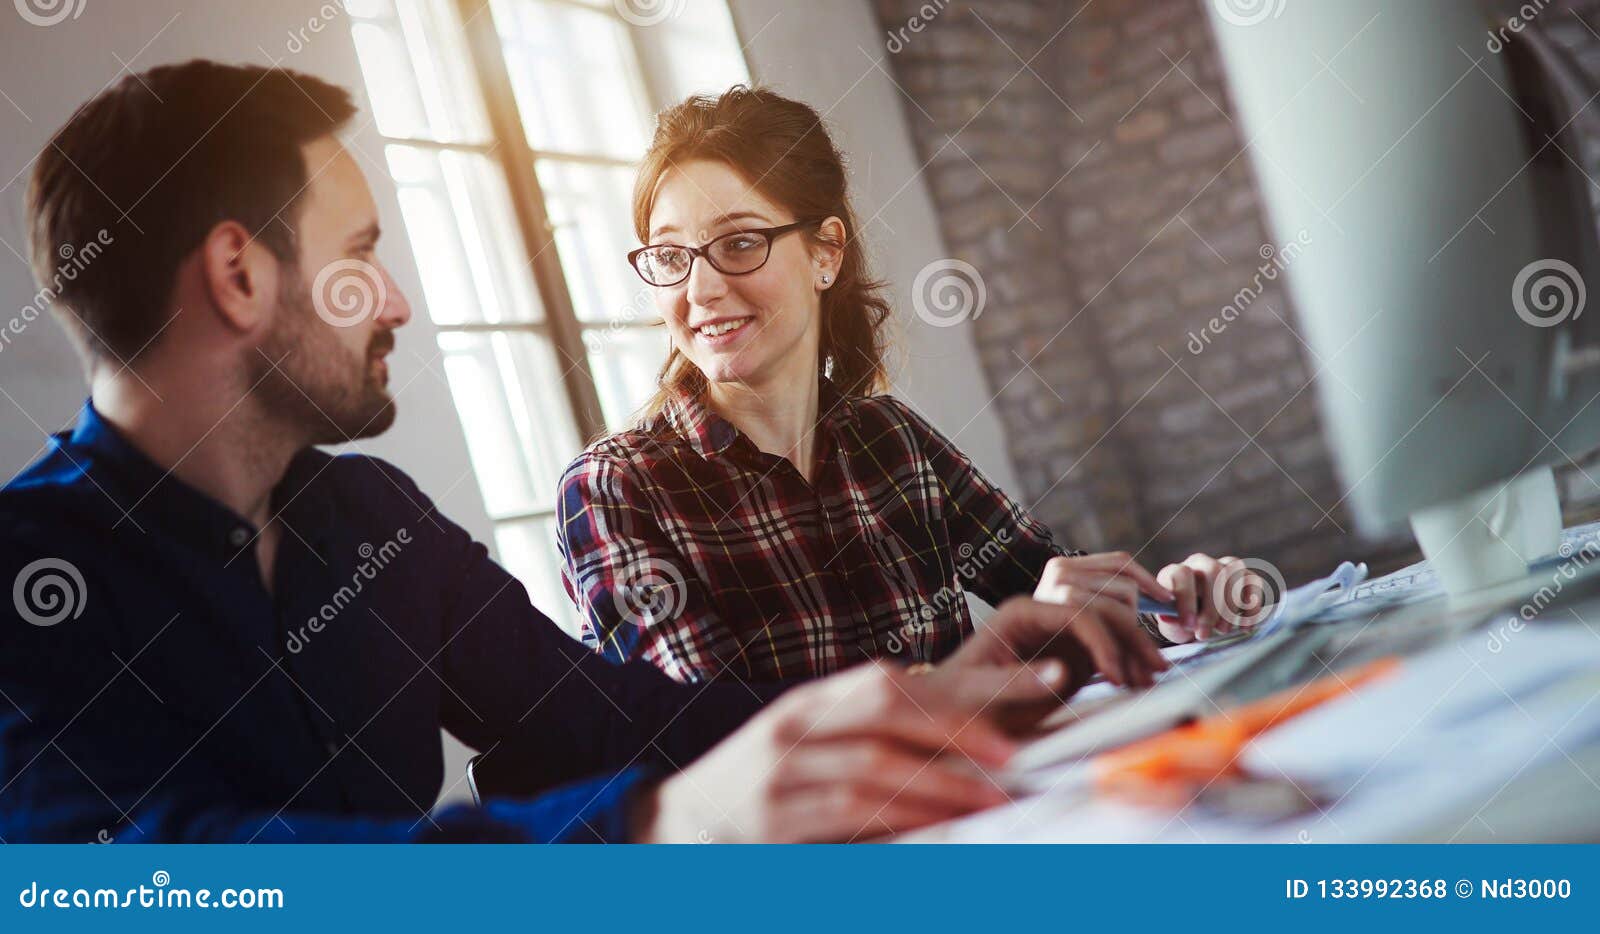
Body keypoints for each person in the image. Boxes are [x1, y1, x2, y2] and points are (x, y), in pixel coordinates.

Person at [0, 60, 1168, 844]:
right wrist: (672, 818)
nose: (396, 301)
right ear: (239, 274)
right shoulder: (27, 579)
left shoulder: (366, 521)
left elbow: (602, 717)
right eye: (357, 254)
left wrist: (923, 696)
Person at [558, 86, 1263, 686]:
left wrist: (1178, 608)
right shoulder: (613, 489)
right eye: (672, 256)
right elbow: (713, 745)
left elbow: (1066, 598)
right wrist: (1001, 659)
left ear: (825, 253)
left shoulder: (890, 440)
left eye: (739, 243)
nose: (700, 288)